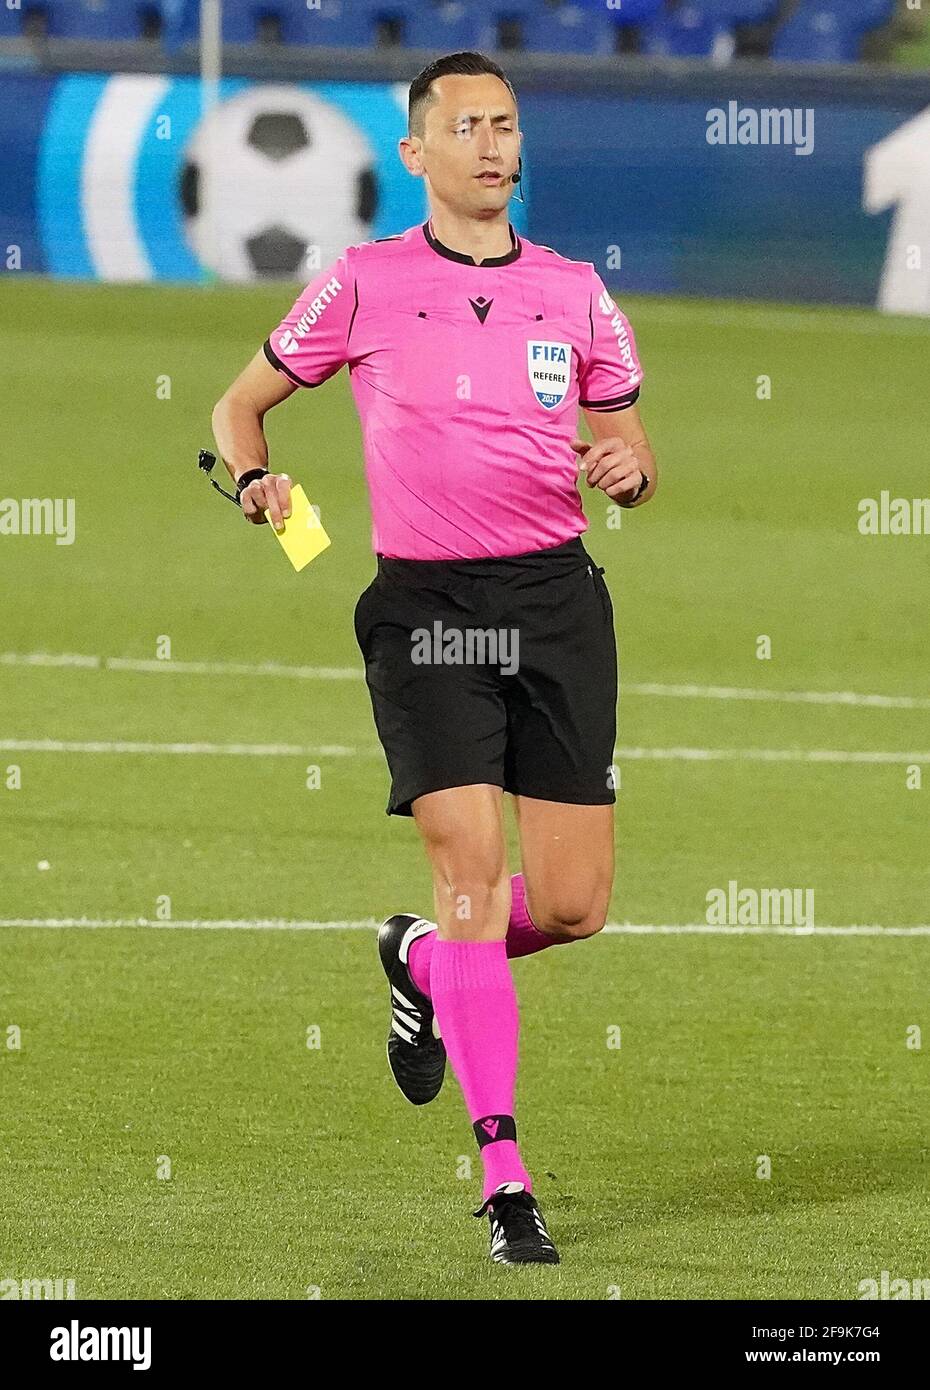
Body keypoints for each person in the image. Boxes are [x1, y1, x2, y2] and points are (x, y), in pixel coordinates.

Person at [211, 50, 657, 1266]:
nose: (492, 144)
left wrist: (628, 466)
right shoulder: (360, 283)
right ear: (417, 153)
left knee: (570, 905)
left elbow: (623, 434)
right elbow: (236, 406)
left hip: (558, 607)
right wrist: (258, 482)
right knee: (473, 868)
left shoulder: (574, 293)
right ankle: (506, 1175)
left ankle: (417, 955)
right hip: (427, 617)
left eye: (506, 124)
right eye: (465, 126)